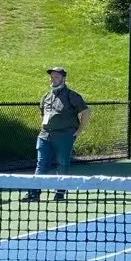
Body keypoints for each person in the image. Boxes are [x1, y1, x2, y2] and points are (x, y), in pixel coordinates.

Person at [20, 66, 91, 202]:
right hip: (45, 136)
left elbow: (86, 112)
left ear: (63, 78)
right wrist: (45, 126)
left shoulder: (72, 95)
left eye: (56, 76)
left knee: (62, 163)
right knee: (41, 163)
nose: (53, 79)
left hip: (65, 136)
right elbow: (43, 114)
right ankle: (34, 193)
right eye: (52, 76)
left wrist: (79, 130)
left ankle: (60, 192)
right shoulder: (46, 96)